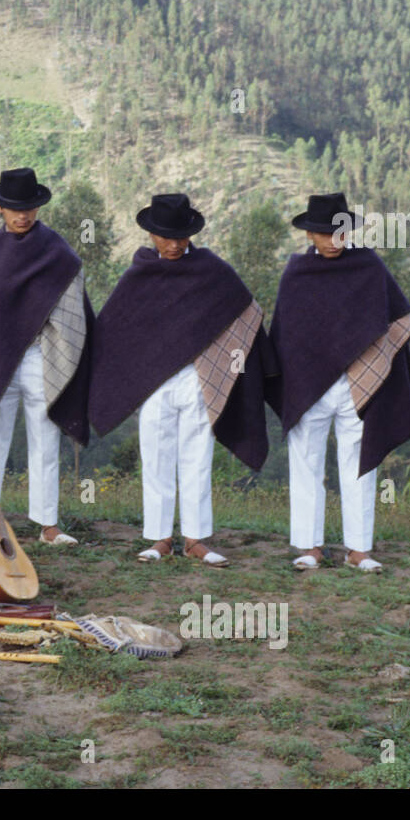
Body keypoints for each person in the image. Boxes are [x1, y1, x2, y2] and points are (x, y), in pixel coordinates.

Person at [90, 194, 276, 565]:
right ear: (151, 234)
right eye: (166, 237)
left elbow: (247, 313)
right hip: (153, 382)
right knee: (156, 458)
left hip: (199, 377)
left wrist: (226, 361)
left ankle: (195, 540)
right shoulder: (140, 274)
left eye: (181, 237)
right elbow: (113, 328)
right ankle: (160, 539)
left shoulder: (212, 271)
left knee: (197, 457)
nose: (174, 245)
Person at [267, 192, 410, 573]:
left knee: (359, 464)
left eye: (339, 233)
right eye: (323, 233)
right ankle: (309, 547)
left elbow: (399, 320)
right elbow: (286, 334)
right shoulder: (297, 272)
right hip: (309, 385)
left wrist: (375, 363)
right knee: (306, 464)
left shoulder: (368, 266)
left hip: (358, 381)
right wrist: (295, 375)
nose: (332, 240)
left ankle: (359, 549)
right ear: (309, 235)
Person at [0, 168, 92, 546]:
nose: (23, 215)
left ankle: (48, 526)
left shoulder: (56, 250)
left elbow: (73, 306)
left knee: (45, 436)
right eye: (14, 208)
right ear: (0, 209)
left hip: (42, 353)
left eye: (30, 208)